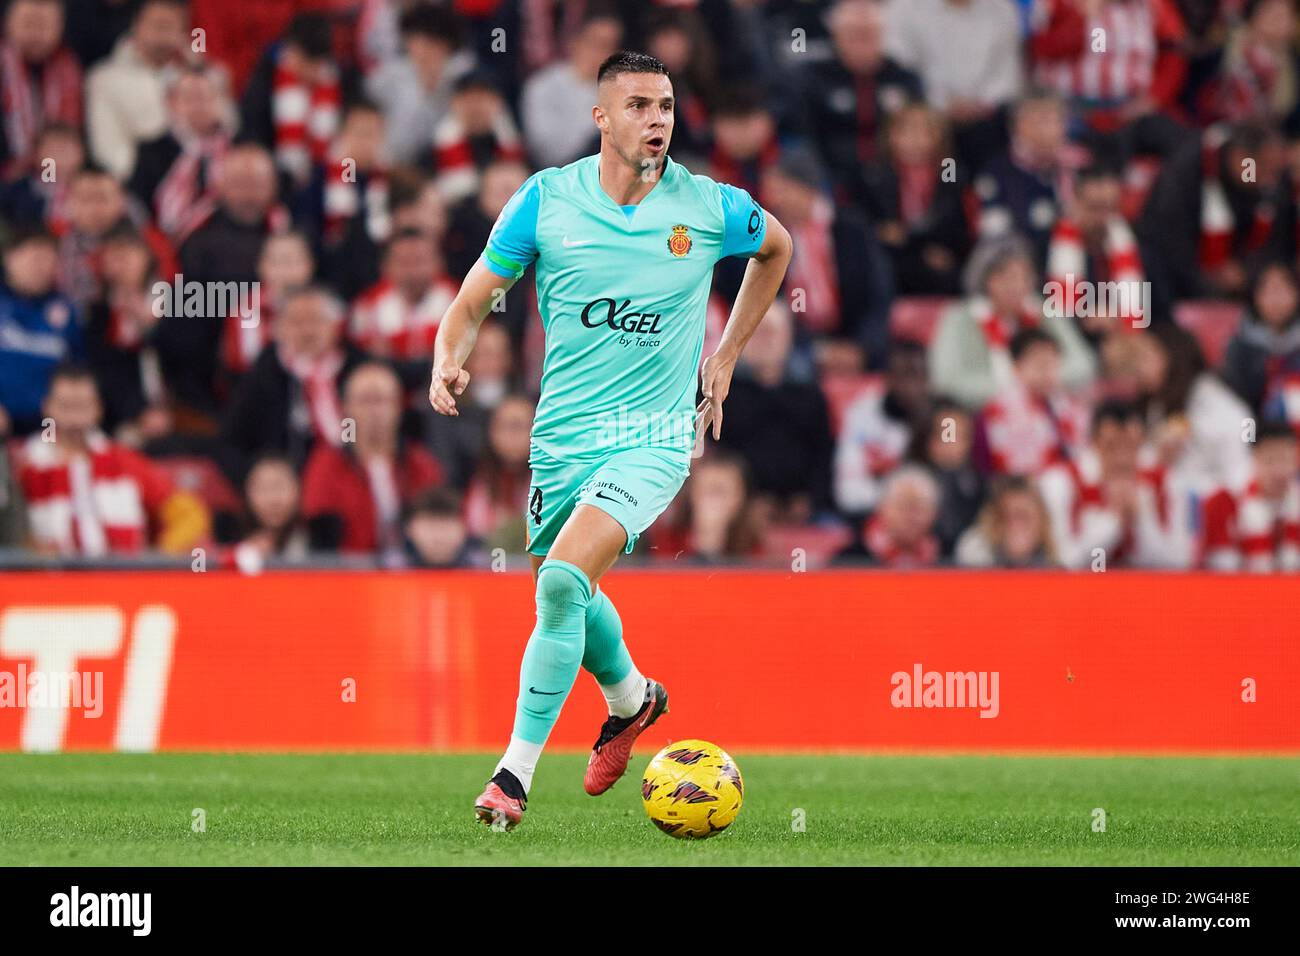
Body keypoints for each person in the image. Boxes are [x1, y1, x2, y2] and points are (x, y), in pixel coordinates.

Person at [429, 50, 791, 829]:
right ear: (601, 118)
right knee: (563, 587)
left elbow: (777, 250)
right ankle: (632, 700)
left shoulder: (708, 206)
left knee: (560, 585)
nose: (656, 120)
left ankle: (511, 778)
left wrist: (726, 353)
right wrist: (446, 360)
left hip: (653, 439)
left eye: (664, 105)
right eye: (637, 106)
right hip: (560, 437)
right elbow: (471, 301)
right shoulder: (545, 202)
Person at [17, 364, 209, 556]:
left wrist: (158, 559)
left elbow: (190, 514)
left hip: (122, 580)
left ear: (98, 409)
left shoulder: (123, 460)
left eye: (82, 407)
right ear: (47, 407)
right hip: (51, 582)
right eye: (66, 407)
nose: (74, 418)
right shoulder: (27, 466)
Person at [301, 360, 443, 562]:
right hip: (349, 576)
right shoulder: (327, 465)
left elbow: (440, 523)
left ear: (399, 407)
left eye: (382, 400)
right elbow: (322, 540)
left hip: (414, 574)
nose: (374, 411)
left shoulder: (421, 464)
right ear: (346, 407)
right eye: (365, 401)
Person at [0, 227, 82, 437]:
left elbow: (78, 369)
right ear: (10, 257)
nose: (41, 267)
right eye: (35, 258)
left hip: (49, 428)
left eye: (49, 259)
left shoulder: (65, 310)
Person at [1199, 420, 1300, 571]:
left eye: (1285, 459)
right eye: (1270, 460)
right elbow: (1219, 571)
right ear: (1255, 459)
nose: (1278, 471)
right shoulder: (1225, 502)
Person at [955, 475, 1058, 568]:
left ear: (1041, 521)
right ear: (993, 523)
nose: (1015, 525)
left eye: (1023, 516)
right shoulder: (973, 563)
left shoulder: (1060, 571)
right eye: (1006, 516)